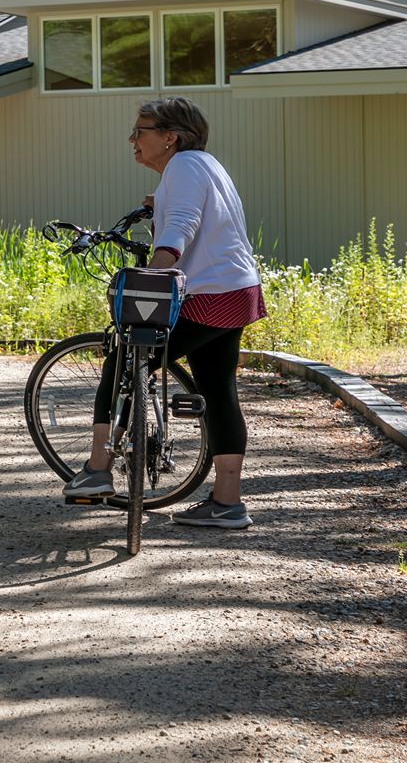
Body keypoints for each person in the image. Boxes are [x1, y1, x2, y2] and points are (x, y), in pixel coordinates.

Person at [63, 97, 266, 529]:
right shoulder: (204, 165)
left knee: (121, 361)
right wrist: (161, 203)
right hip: (235, 290)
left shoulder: (185, 167)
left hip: (208, 293)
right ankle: (227, 503)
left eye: (141, 130)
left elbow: (183, 224)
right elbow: (201, 214)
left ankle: (97, 469)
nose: (132, 139)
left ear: (170, 136)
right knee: (217, 389)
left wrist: (157, 274)